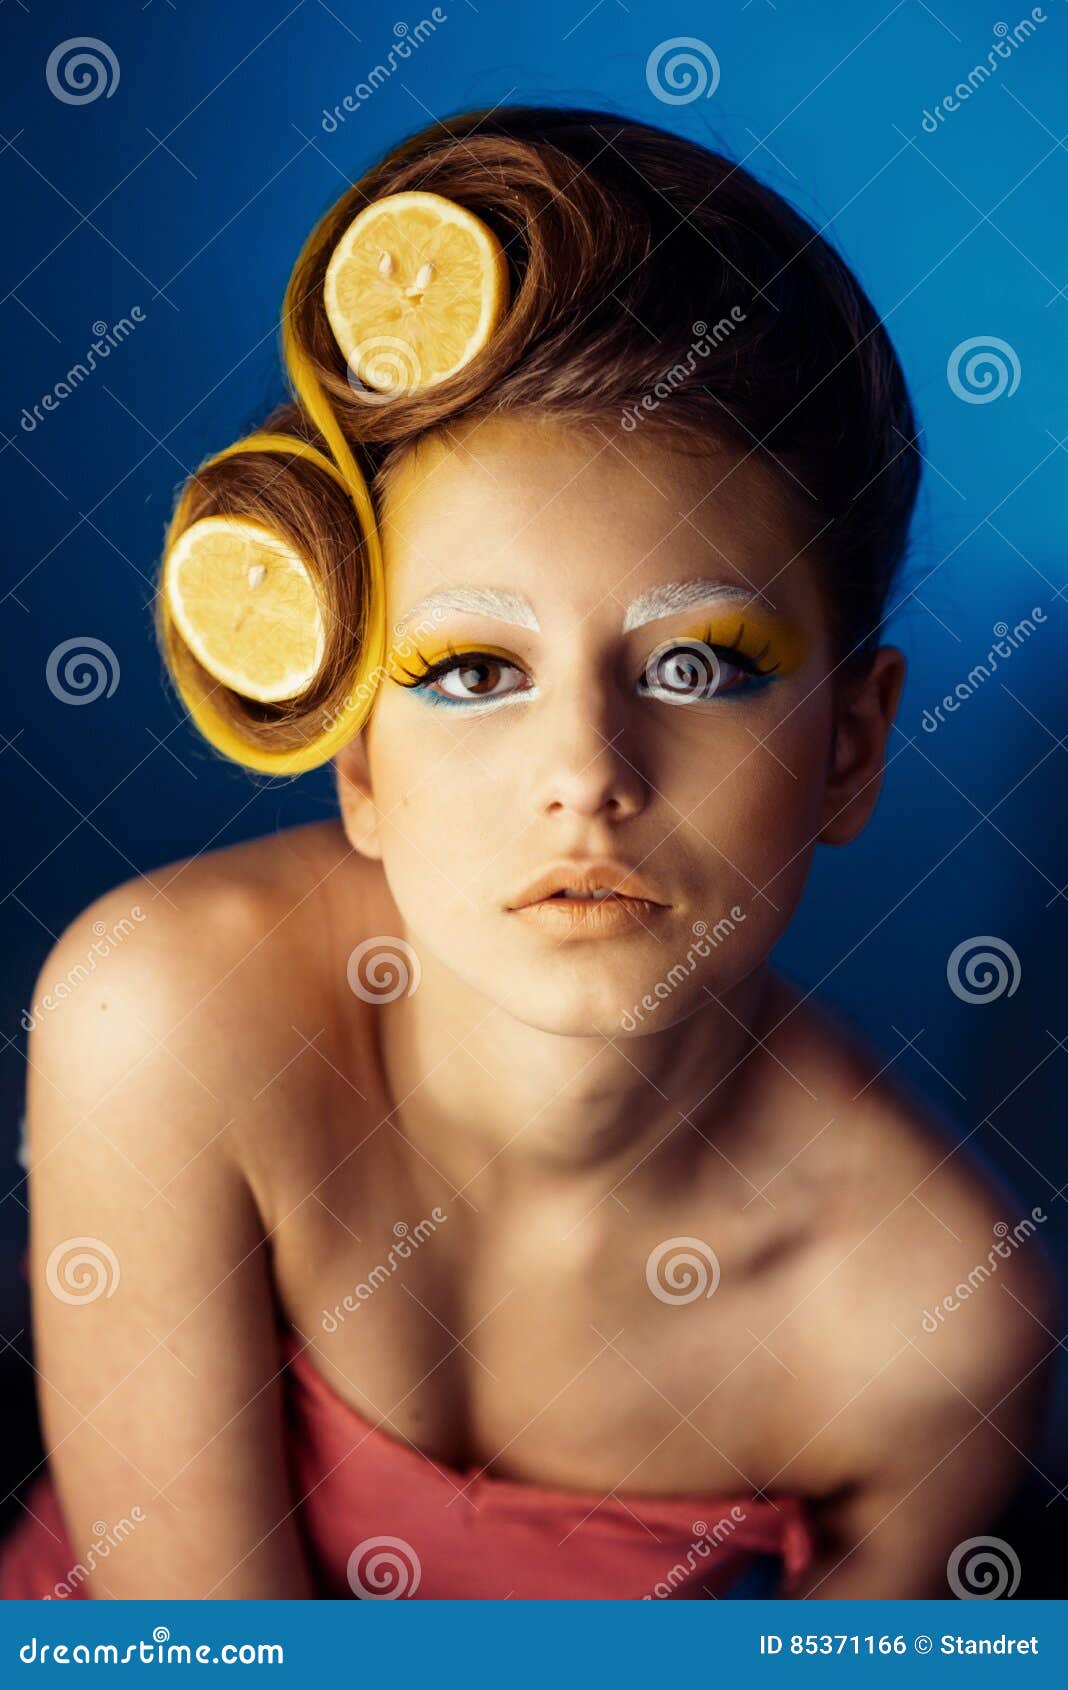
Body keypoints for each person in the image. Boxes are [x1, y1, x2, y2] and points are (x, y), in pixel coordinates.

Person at [3, 103, 1054, 1601]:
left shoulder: (940, 1321)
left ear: (851, 747)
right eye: (471, 672)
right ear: (357, 758)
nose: (587, 777)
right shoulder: (156, 1011)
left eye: (699, 665)